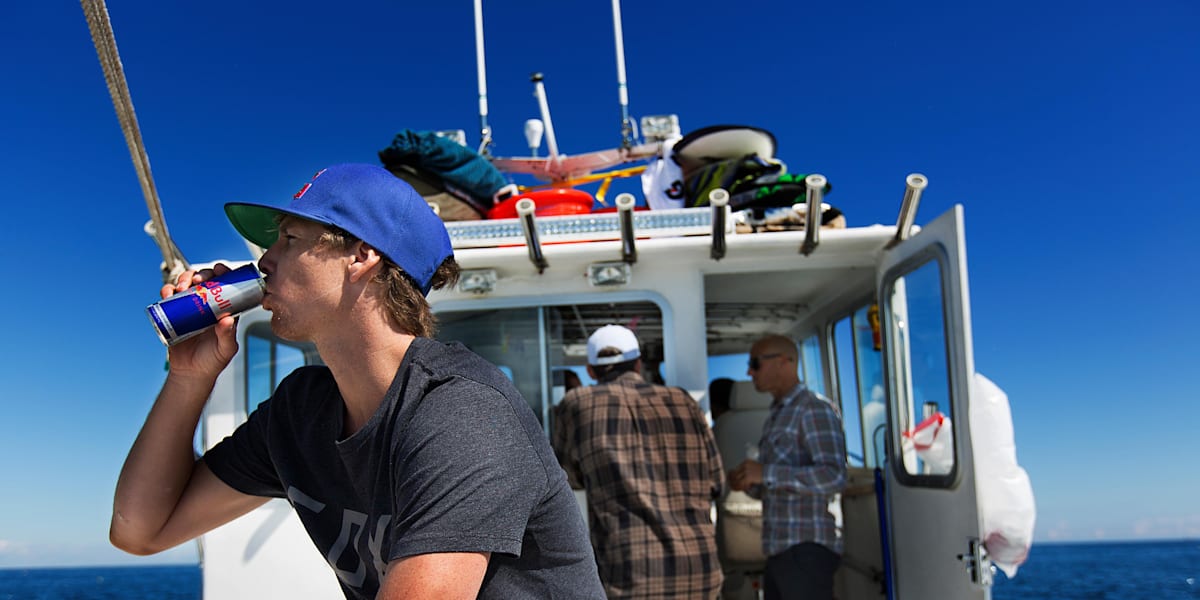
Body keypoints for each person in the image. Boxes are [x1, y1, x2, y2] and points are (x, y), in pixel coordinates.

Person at [110, 164, 605, 600]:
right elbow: (141, 530)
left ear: (361, 256)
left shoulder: (463, 412)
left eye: (290, 239)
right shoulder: (299, 414)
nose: (264, 261)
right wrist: (189, 377)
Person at [551, 325, 725, 599]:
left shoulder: (577, 404)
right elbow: (716, 481)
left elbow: (567, 478)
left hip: (631, 575)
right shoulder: (684, 401)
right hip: (700, 570)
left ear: (591, 371)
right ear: (638, 364)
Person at [728, 334, 847, 600]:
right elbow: (777, 485)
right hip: (781, 550)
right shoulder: (778, 415)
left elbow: (834, 476)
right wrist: (748, 484)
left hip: (807, 549)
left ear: (784, 362)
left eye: (755, 364)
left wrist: (765, 473)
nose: (749, 372)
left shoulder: (813, 409)